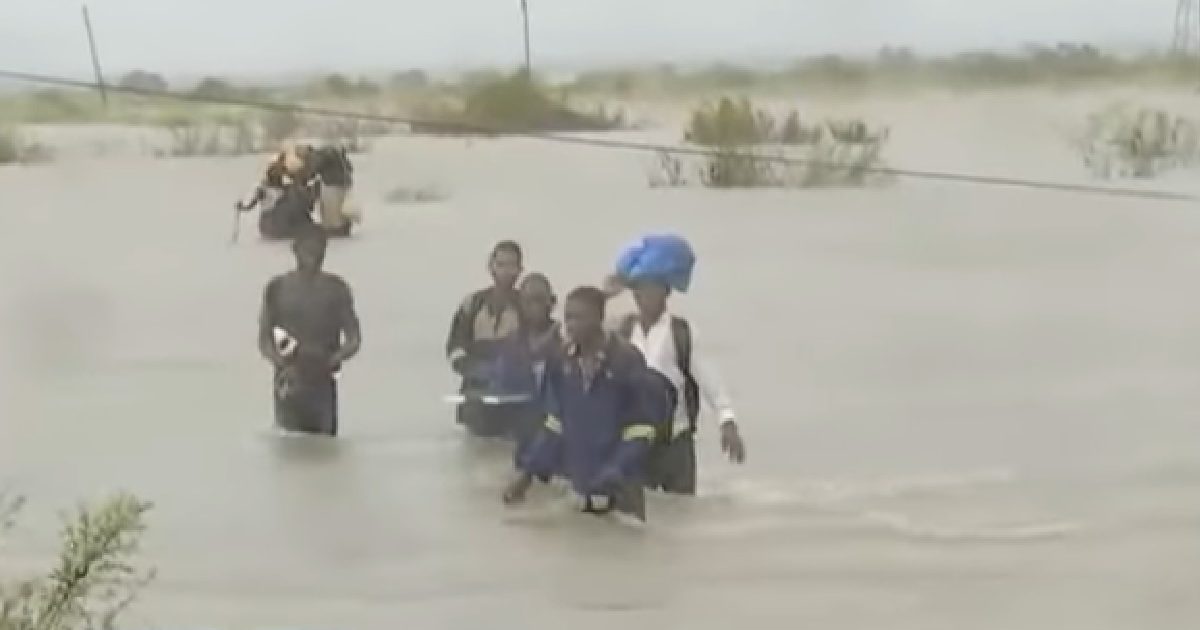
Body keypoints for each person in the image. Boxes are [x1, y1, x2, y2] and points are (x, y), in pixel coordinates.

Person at [503, 287, 666, 522]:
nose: (569, 325)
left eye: (578, 318)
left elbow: (643, 427)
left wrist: (616, 469)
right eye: (567, 317)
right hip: (579, 484)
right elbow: (554, 423)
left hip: (620, 490)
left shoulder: (625, 360)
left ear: (599, 319)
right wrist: (527, 475)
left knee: (624, 552)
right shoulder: (561, 360)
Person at [612, 276, 746, 495]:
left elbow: (709, 379)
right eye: (639, 291)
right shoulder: (622, 331)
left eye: (651, 290)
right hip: (633, 439)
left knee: (681, 510)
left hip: (675, 441)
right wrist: (606, 294)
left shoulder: (682, 332)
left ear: (666, 292)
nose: (644, 297)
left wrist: (727, 421)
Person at [257, 225, 362, 436]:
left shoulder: (336, 289)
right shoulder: (277, 288)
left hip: (322, 380)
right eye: (308, 250)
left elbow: (354, 338)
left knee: (324, 445)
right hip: (289, 380)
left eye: (318, 250)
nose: (313, 256)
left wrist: (333, 359)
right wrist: (281, 363)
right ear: (295, 250)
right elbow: (264, 339)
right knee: (290, 441)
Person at [445, 240, 524, 438]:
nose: (506, 271)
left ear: (520, 270)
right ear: (491, 267)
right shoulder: (472, 304)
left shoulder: (526, 306)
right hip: (476, 394)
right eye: (501, 265)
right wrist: (472, 369)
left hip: (513, 397)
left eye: (511, 265)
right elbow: (454, 346)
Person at [491, 273, 564, 450]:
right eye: (527, 301)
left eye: (539, 300)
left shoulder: (565, 338)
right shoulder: (511, 343)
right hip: (517, 430)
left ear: (552, 302)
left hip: (557, 428)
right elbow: (502, 386)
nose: (533, 307)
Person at [305, 144, 356, 237]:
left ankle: (334, 228)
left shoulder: (317, 156)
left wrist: (307, 178)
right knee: (341, 206)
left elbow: (315, 168)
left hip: (332, 183)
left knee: (330, 206)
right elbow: (350, 168)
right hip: (344, 183)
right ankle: (344, 226)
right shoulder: (335, 153)